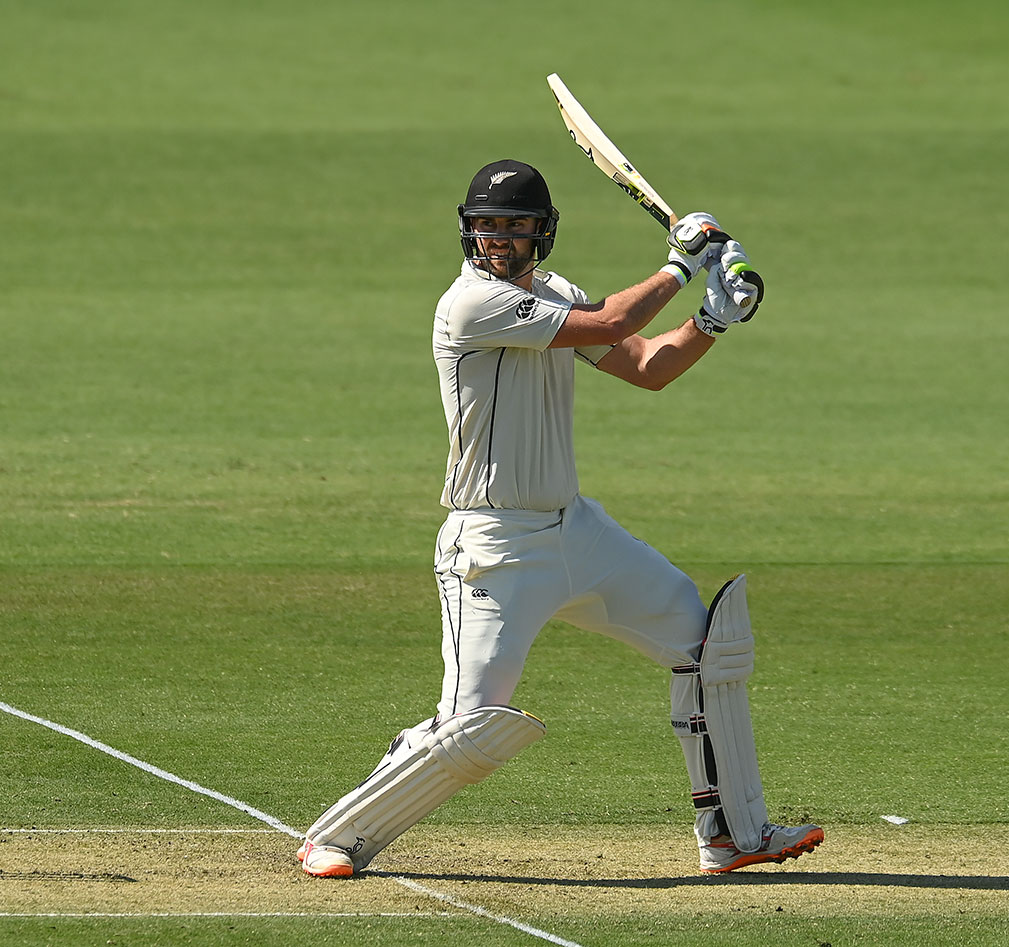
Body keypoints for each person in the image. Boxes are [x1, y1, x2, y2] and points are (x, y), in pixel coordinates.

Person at [297, 159, 822, 878]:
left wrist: (711, 320)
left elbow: (647, 366)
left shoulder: (554, 295)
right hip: (493, 546)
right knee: (472, 725)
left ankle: (733, 833)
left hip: (577, 530)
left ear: (541, 233)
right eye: (487, 226)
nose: (498, 239)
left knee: (706, 645)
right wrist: (680, 264)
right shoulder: (470, 304)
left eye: (514, 226)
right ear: (467, 231)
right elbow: (613, 320)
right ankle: (338, 834)